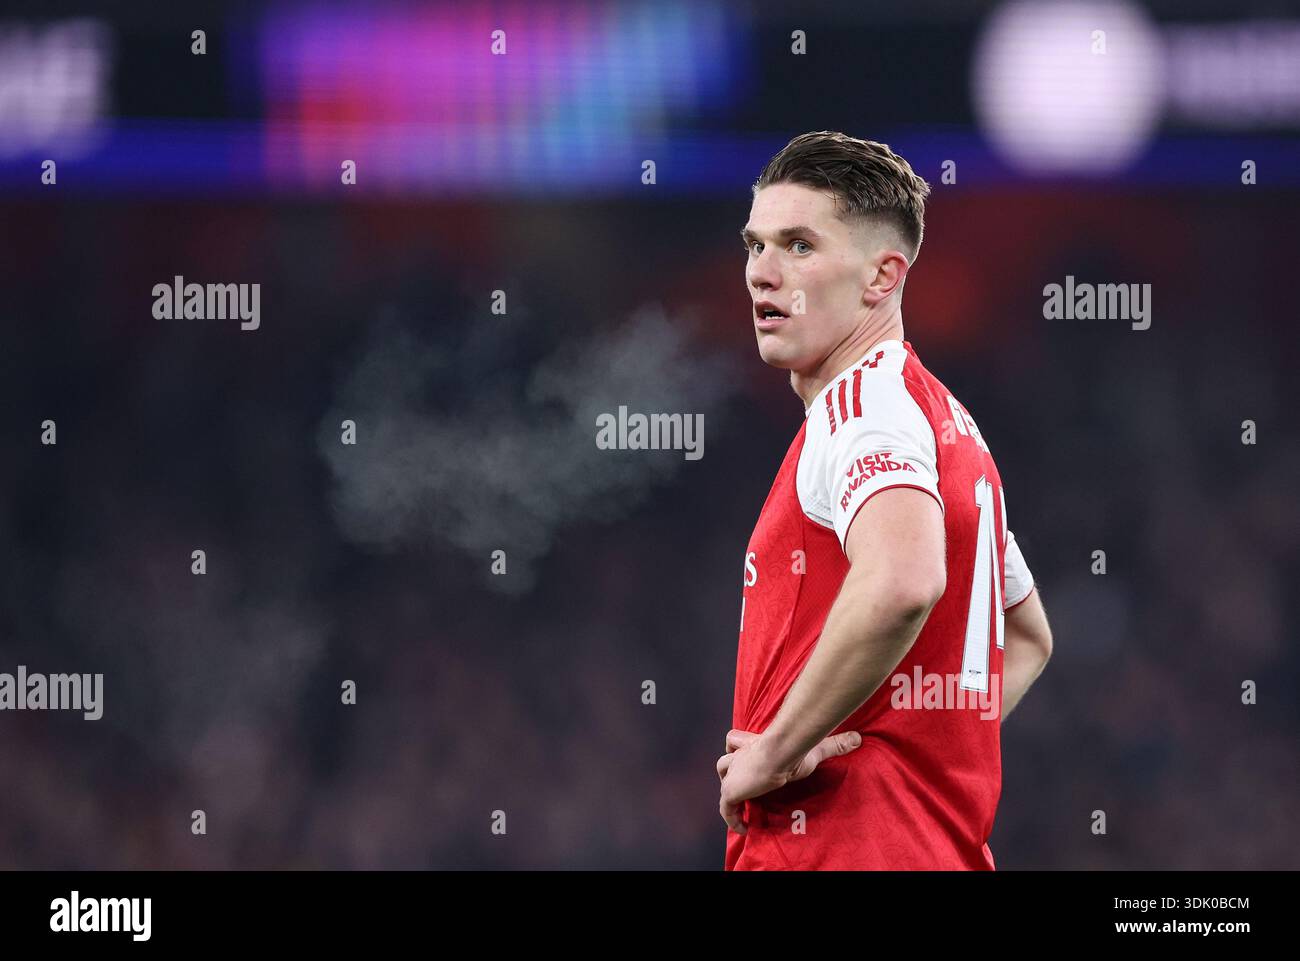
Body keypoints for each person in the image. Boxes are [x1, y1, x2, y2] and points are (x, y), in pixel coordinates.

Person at [721, 131, 1053, 870]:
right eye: (756, 245)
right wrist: (905, 752)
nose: (761, 274)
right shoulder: (946, 426)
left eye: (799, 246)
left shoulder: (861, 410)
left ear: (881, 277)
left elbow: (903, 579)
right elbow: (1027, 635)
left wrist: (777, 749)